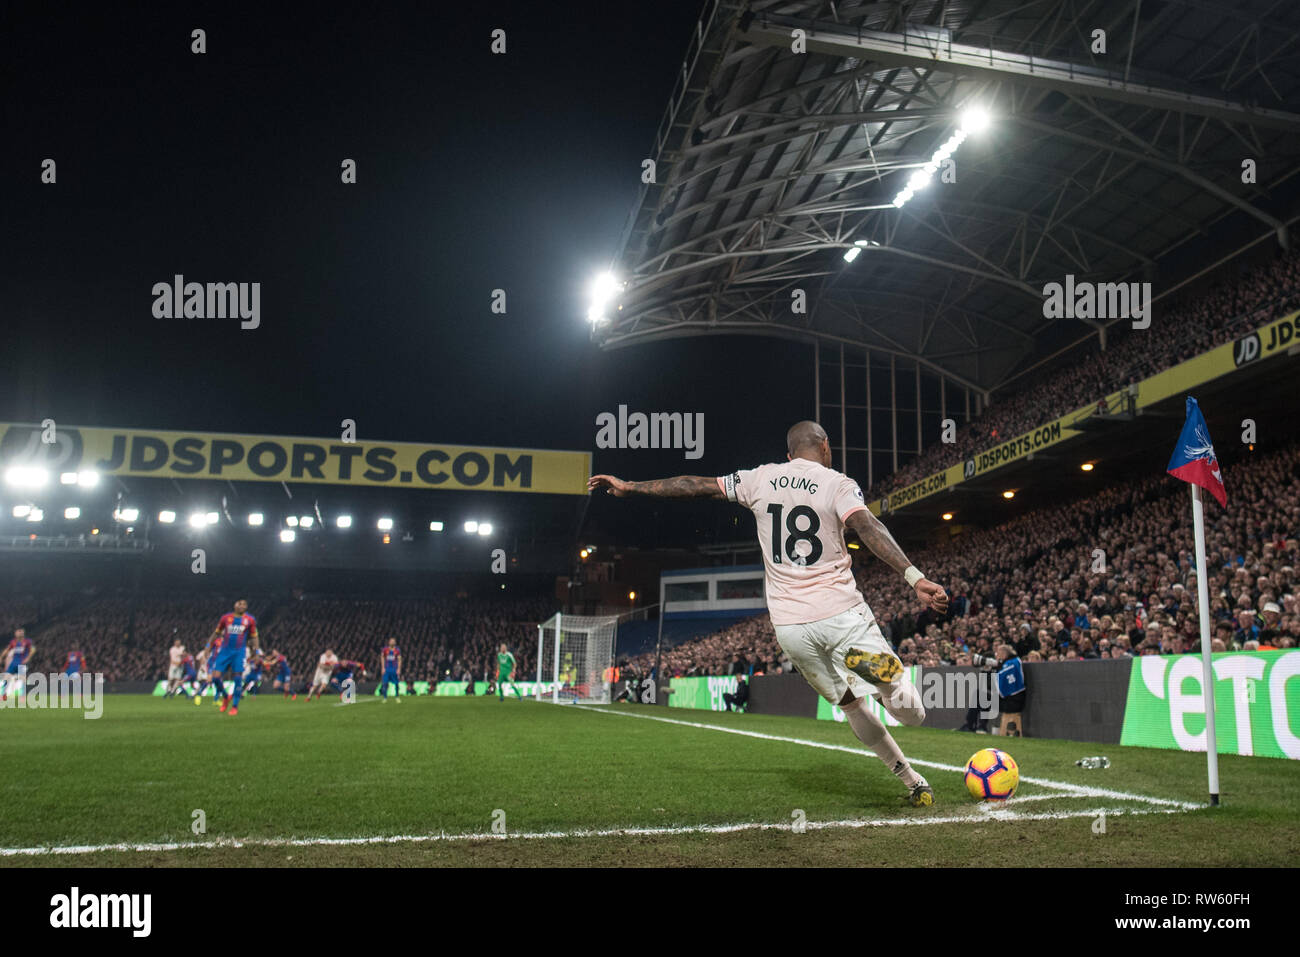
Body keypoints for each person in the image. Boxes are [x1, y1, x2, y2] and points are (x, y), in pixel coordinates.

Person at [589, 419, 948, 807]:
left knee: (850, 706)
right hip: (840, 612)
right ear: (824, 446)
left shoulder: (760, 478)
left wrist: (631, 486)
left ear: (789, 455)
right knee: (914, 715)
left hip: (791, 627)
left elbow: (695, 485)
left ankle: (913, 781)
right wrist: (915, 577)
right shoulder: (838, 483)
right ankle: (888, 686)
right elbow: (867, 525)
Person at [204, 598, 259, 716]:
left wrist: (257, 652)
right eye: (240, 603)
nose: (242, 605)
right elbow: (216, 633)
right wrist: (208, 646)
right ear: (234, 605)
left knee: (238, 678)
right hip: (224, 651)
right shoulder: (225, 618)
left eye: (244, 604)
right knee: (215, 678)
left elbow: (254, 637)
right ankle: (225, 696)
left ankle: (235, 706)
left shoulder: (250, 620)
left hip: (239, 652)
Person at [1, 627, 35, 700]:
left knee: (22, 679)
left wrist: (28, 658)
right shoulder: (13, 642)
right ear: (15, 633)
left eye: (21, 631)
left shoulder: (27, 641)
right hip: (13, 663)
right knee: (6, 677)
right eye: (18, 632)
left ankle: (22, 696)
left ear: (23, 633)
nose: (20, 633)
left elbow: (33, 649)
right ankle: (4, 694)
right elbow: (7, 649)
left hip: (22, 663)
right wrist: (1, 657)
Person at [379, 637, 402, 702]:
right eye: (391, 641)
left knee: (396, 683)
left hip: (394, 669)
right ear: (389, 642)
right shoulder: (385, 649)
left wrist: (399, 669)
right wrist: (383, 668)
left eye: (393, 641)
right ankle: (385, 697)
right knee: (384, 683)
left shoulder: (397, 650)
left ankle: (397, 696)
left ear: (395, 643)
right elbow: (382, 658)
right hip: (386, 669)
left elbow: (399, 660)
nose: (392, 642)